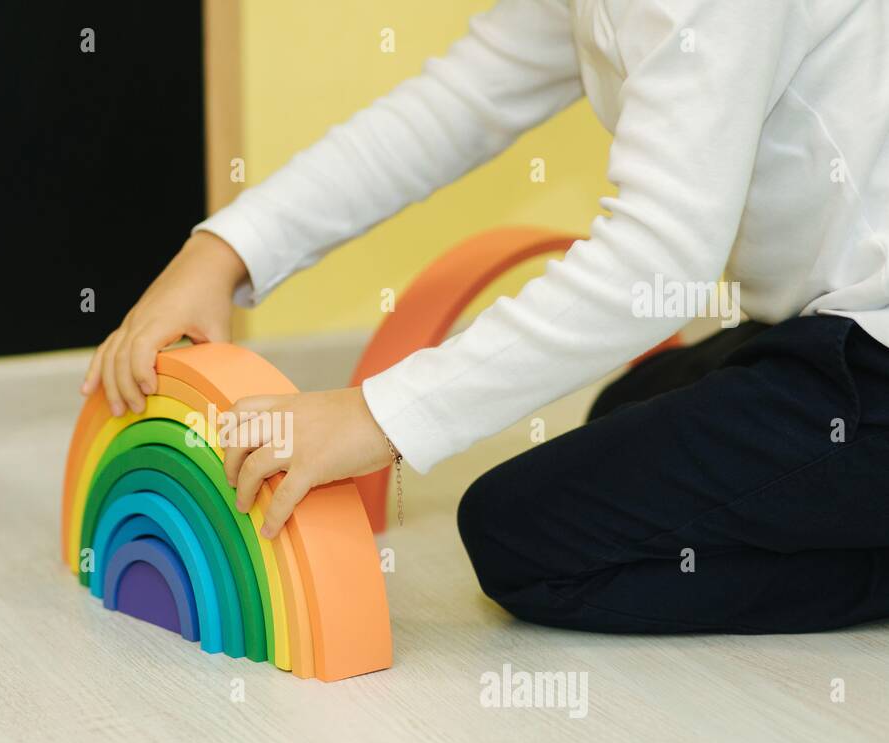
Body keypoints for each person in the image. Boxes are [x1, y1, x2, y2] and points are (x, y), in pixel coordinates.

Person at [84, 0, 889, 634]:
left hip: (869, 349)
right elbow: (454, 105)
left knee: (523, 541)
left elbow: (657, 262)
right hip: (821, 326)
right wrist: (222, 252)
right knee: (623, 414)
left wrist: (376, 415)